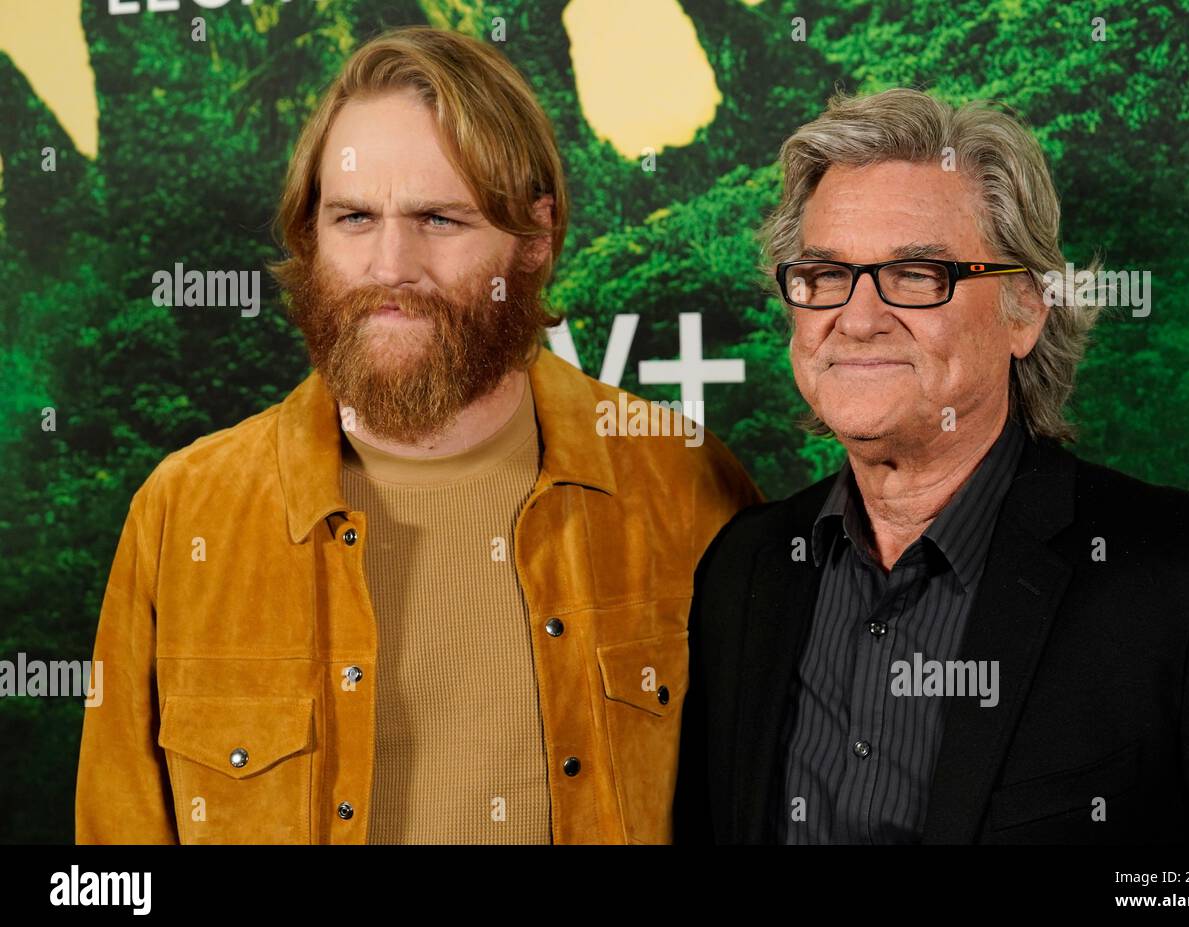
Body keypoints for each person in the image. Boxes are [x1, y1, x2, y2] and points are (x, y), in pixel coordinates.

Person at [76, 26, 759, 845]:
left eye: (439, 218)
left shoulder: (683, 484)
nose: (389, 264)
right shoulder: (184, 514)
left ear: (535, 238)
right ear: (309, 234)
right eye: (355, 216)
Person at [674, 87, 1189, 844]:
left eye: (916, 275)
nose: (859, 317)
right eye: (824, 275)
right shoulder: (745, 570)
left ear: (1026, 308)